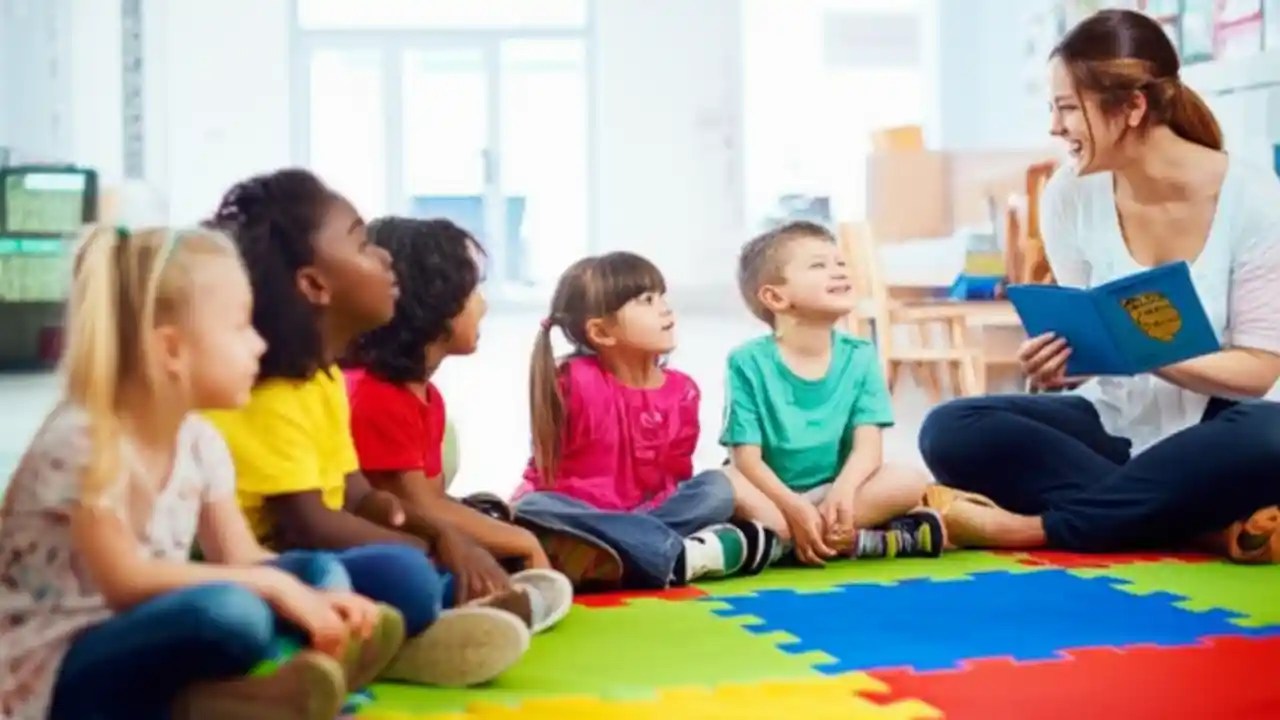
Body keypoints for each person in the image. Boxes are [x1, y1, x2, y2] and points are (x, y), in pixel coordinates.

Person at [918, 9, 1280, 562]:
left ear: (1133, 107)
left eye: (1067, 108)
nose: (1055, 126)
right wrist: (1061, 360)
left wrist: (1149, 352)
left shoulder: (1254, 197)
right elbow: (1090, 338)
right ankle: (1196, 525)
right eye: (1054, 108)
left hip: (1224, 425)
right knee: (951, 428)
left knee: (1270, 435)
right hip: (1114, 420)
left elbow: (1258, 371)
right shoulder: (1071, 193)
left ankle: (1033, 528)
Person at [0, 226, 398, 720]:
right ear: (171, 349)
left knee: (318, 573)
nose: (258, 344)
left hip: (153, 635)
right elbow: (125, 581)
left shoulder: (200, 441)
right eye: (240, 327)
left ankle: (285, 684)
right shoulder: (84, 440)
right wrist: (276, 590)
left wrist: (316, 594)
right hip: (59, 672)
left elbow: (240, 555)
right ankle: (238, 696)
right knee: (231, 612)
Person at [203, 169, 543, 687]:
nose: (383, 257)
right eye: (362, 244)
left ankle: (427, 617)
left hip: (315, 557)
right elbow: (309, 523)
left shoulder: (324, 379)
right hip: (270, 565)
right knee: (403, 573)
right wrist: (432, 547)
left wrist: (439, 531)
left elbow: (359, 492)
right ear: (315, 285)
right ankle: (408, 630)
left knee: (419, 564)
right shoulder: (271, 392)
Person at [346, 216, 573, 632]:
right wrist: (521, 543)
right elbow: (422, 507)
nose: (483, 305)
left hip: (420, 535)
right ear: (431, 304)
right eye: (472, 292)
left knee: (529, 514)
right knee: (418, 574)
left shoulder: (423, 396)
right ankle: (452, 614)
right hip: (381, 546)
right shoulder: (375, 395)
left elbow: (435, 503)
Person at [512, 252, 778, 590]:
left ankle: (631, 553)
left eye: (662, 296)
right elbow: (542, 466)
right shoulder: (572, 380)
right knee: (534, 507)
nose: (665, 308)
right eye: (647, 300)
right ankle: (678, 556)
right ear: (601, 332)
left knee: (717, 487)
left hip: (650, 515)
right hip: (584, 516)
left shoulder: (683, 391)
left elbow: (675, 475)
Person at [722, 221, 944, 567]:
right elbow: (745, 459)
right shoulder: (747, 361)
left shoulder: (860, 355)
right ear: (775, 297)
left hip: (836, 490)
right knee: (724, 482)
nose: (839, 271)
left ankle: (788, 542)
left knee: (909, 481)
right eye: (818, 265)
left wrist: (843, 492)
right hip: (773, 494)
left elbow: (868, 449)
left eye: (840, 263)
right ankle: (852, 539)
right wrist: (794, 507)